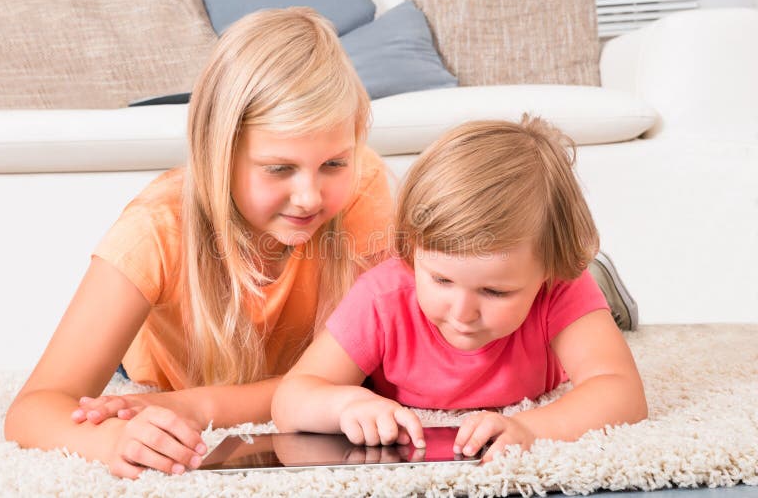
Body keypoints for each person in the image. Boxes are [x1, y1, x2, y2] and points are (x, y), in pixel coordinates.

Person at [4, 7, 394, 479]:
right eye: (278, 168)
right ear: (218, 155)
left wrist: (194, 406)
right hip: (166, 364)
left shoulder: (364, 190)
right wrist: (110, 440)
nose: (310, 196)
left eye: (334, 164)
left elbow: (360, 375)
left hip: (220, 385)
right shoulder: (155, 227)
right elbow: (32, 409)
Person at [272, 117, 648, 461]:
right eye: (441, 280)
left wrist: (532, 428)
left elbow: (621, 392)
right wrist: (344, 406)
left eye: (495, 292)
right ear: (410, 250)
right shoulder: (381, 297)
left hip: (570, 285)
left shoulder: (560, 286)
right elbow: (291, 398)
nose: (462, 313)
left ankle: (602, 281)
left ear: (546, 276)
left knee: (592, 291)